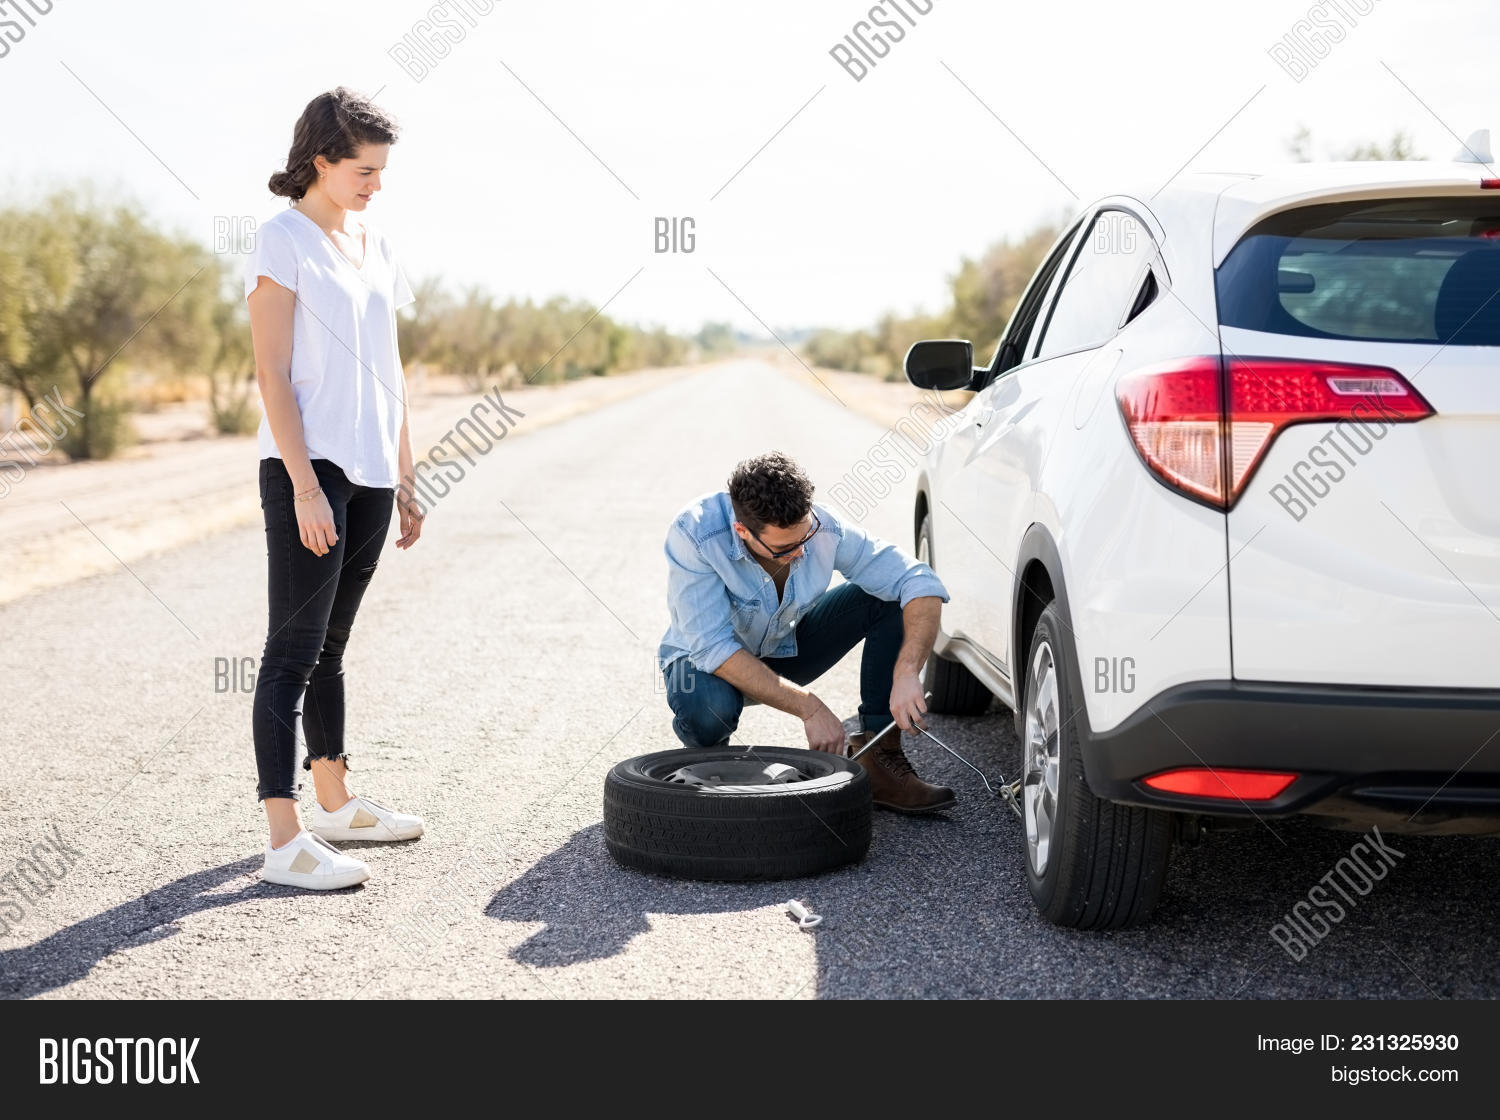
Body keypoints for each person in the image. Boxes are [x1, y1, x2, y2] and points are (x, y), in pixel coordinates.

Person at [245, 87, 425, 890]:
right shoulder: (280, 240)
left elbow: (391, 370)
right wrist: (303, 486)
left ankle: (335, 803)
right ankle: (283, 839)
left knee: (332, 648)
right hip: (310, 470)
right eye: (362, 170)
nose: (375, 184)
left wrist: (408, 474)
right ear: (319, 161)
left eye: (381, 171)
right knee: (291, 653)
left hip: (373, 472)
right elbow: (271, 374)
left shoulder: (376, 243)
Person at [658, 451, 956, 813]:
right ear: (742, 531)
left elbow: (918, 579)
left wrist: (908, 669)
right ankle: (712, 762)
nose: (801, 552)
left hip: (784, 649)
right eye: (785, 548)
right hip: (704, 666)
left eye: (806, 538)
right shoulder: (696, 533)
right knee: (708, 710)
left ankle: (881, 760)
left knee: (890, 598)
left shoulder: (824, 528)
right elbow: (712, 650)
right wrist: (809, 708)